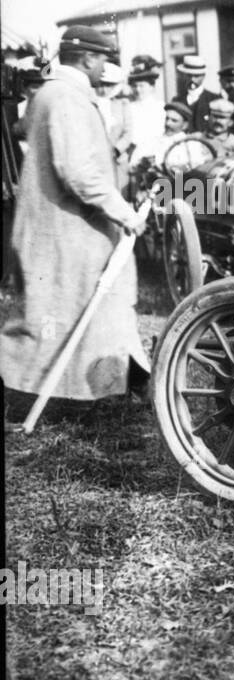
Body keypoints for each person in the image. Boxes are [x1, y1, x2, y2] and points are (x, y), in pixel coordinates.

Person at [1, 25, 150, 406]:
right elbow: (77, 172)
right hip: (67, 229)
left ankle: (106, 386)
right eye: (103, 60)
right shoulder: (66, 98)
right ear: (88, 58)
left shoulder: (50, 94)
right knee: (51, 315)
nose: (105, 68)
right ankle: (51, 392)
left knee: (60, 311)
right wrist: (124, 213)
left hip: (60, 226)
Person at [174, 55, 218, 133]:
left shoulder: (214, 99)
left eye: (196, 76)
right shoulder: (177, 101)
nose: (192, 79)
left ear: (203, 76)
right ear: (183, 75)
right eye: (189, 75)